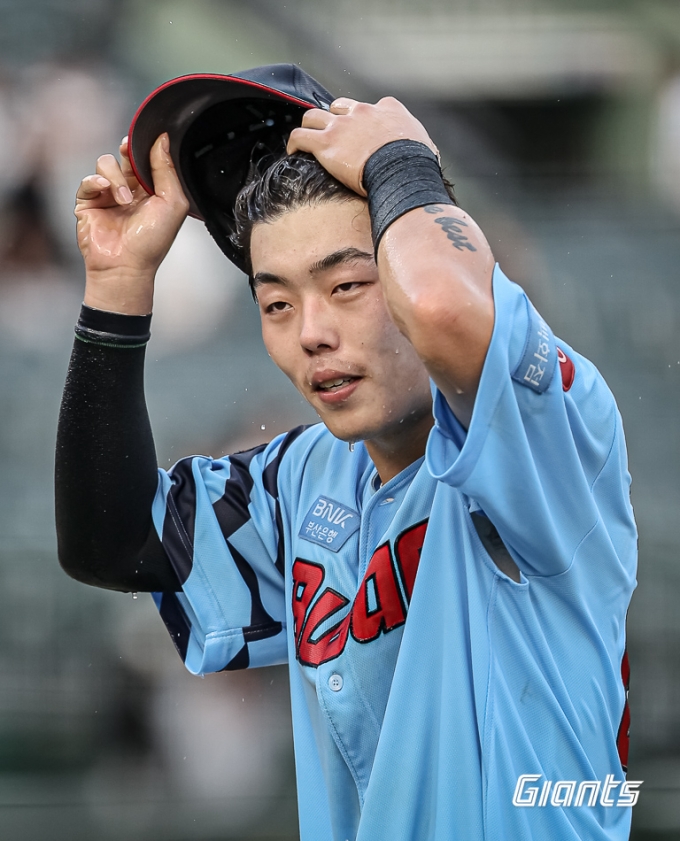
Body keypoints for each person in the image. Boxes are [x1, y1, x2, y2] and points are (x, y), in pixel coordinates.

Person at [55, 65, 638, 841]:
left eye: (349, 286)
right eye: (277, 302)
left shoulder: (550, 420)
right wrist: (118, 285)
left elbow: (445, 306)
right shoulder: (304, 479)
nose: (311, 333)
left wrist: (400, 161)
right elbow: (111, 540)